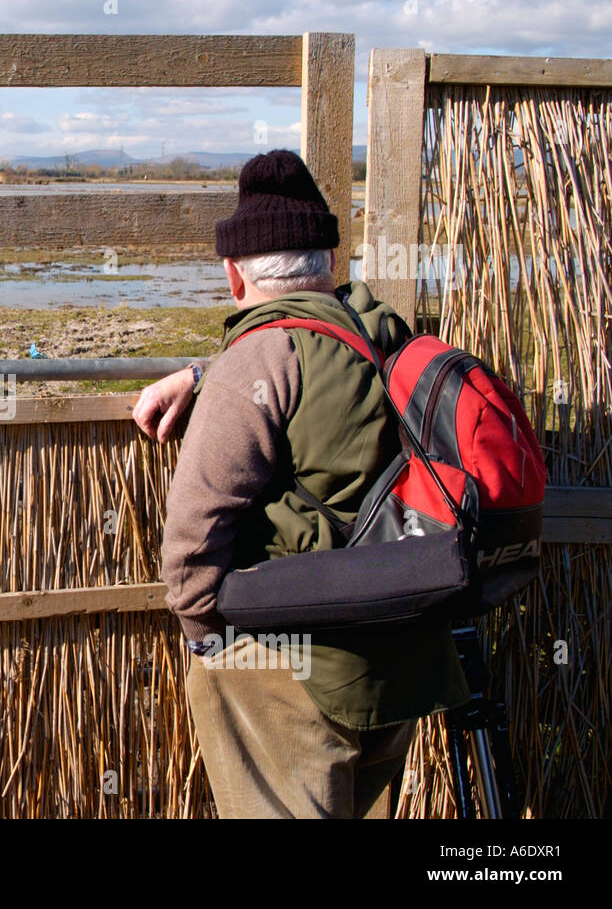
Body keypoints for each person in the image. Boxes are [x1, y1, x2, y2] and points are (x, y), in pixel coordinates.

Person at [133, 150, 469, 818]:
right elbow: (312, 353)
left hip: (293, 677)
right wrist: (204, 376)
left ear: (234, 276)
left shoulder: (255, 362)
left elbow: (189, 550)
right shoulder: (386, 338)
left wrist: (214, 647)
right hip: (399, 659)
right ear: (329, 264)